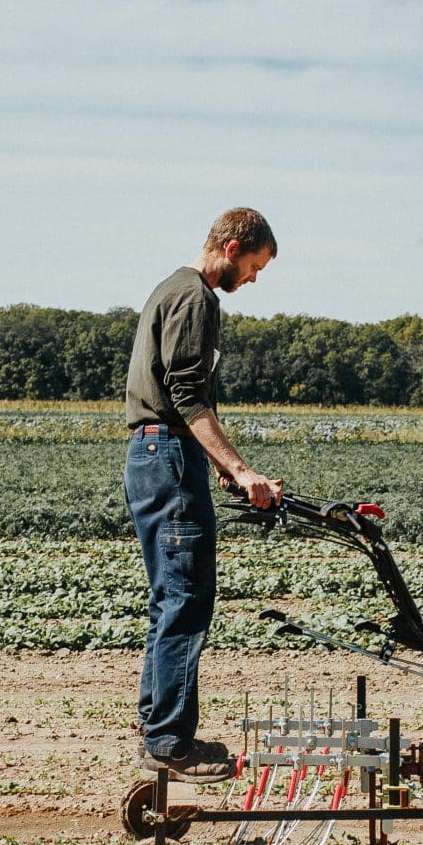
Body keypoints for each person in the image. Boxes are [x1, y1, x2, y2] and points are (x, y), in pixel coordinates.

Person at [124, 207, 284, 780]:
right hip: (167, 452)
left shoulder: (170, 288)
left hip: (156, 454)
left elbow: (179, 395)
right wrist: (241, 471)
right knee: (187, 597)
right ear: (233, 245)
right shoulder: (196, 297)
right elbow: (188, 395)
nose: (254, 278)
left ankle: (157, 727)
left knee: (171, 594)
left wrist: (214, 461)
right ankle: (168, 741)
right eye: (255, 265)